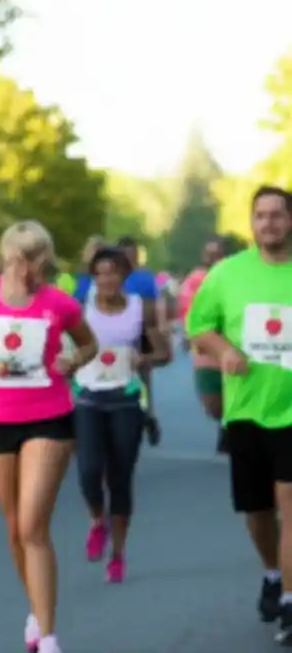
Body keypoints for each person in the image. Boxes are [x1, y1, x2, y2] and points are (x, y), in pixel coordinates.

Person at [0, 220, 97, 653]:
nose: (27, 268)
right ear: (8, 256)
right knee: (14, 528)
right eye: (19, 258)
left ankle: (47, 637)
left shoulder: (60, 303)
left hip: (49, 415)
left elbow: (90, 345)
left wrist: (74, 359)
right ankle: (36, 608)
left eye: (35, 258)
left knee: (33, 524)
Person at [185, 185, 292, 642]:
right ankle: (272, 573)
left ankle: (289, 600)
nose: (268, 223)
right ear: (251, 224)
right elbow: (198, 327)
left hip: (290, 412)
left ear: (291, 221)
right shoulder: (227, 274)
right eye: (260, 215)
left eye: (277, 215)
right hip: (246, 409)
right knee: (257, 511)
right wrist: (225, 350)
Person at [71, 246, 169, 584]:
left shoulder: (140, 309)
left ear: (123, 275)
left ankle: (117, 554)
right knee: (88, 471)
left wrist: (145, 358)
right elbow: (61, 346)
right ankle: (97, 520)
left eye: (112, 271)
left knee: (120, 476)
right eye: (99, 273)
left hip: (126, 399)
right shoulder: (81, 310)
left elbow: (164, 352)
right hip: (88, 397)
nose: (106, 279)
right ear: (93, 277)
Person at [178, 236, 228, 452]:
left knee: (235, 396)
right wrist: (187, 334)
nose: (213, 257)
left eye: (217, 253)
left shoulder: (234, 276)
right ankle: (223, 420)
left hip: (232, 347)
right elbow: (187, 310)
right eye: (209, 253)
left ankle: (230, 428)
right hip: (205, 349)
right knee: (212, 404)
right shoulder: (195, 279)